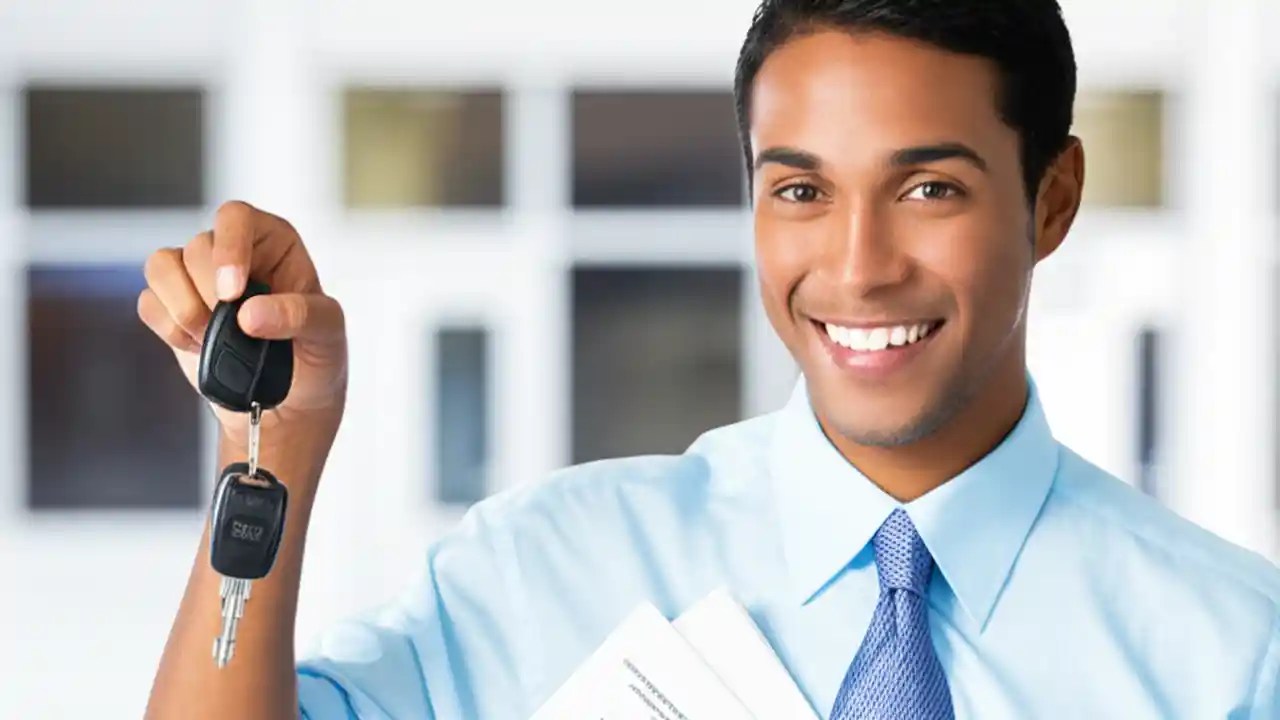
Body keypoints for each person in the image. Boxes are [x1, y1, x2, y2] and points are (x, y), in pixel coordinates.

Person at [142, 0, 1280, 717]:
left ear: (1052, 200)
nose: (857, 268)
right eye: (801, 191)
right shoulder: (542, 569)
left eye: (929, 188)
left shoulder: (1235, 654)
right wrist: (273, 449)